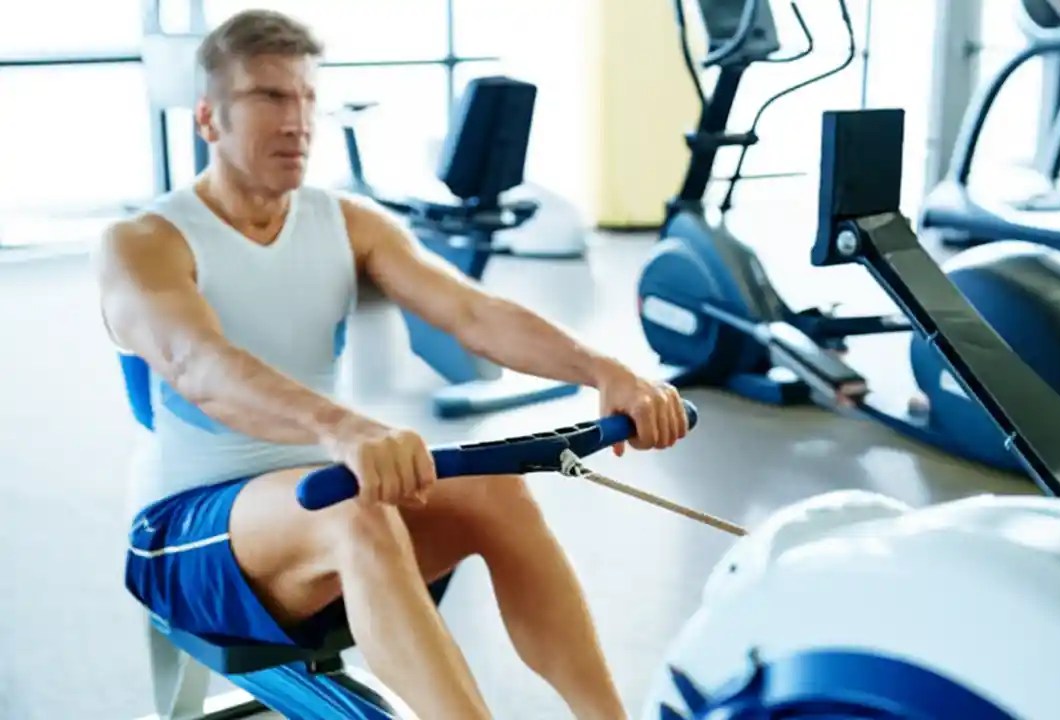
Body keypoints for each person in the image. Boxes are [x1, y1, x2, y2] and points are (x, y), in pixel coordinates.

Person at [95, 9, 689, 720]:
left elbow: (472, 314)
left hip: (324, 500)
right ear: (208, 119)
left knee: (495, 494)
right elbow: (198, 365)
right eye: (269, 98)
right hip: (187, 533)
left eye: (307, 98)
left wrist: (605, 371)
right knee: (357, 510)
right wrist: (342, 428)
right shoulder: (144, 241)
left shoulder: (349, 223)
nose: (297, 121)